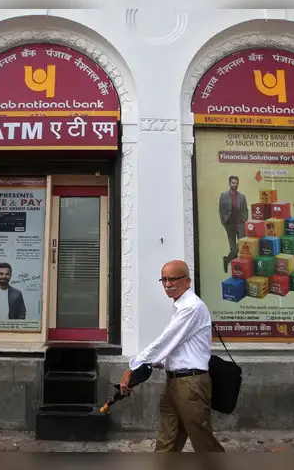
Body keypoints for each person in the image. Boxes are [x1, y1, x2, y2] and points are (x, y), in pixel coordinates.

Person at [119, 260, 224, 452]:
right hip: (174, 381)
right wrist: (156, 363)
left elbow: (165, 342)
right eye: (164, 280)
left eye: (173, 279)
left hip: (190, 384)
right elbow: (176, 348)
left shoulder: (192, 307)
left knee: (203, 443)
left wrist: (133, 366)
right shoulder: (180, 307)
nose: (167, 285)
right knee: (167, 440)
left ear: (187, 281)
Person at [218, 175, 248, 272]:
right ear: (229, 183)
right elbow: (221, 209)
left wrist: (245, 219)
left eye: (236, 183)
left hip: (240, 223)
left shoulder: (242, 197)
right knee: (233, 248)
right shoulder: (224, 195)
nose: (235, 185)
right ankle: (235, 270)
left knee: (242, 243)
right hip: (229, 224)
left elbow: (245, 210)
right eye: (233, 183)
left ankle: (227, 260)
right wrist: (223, 221)